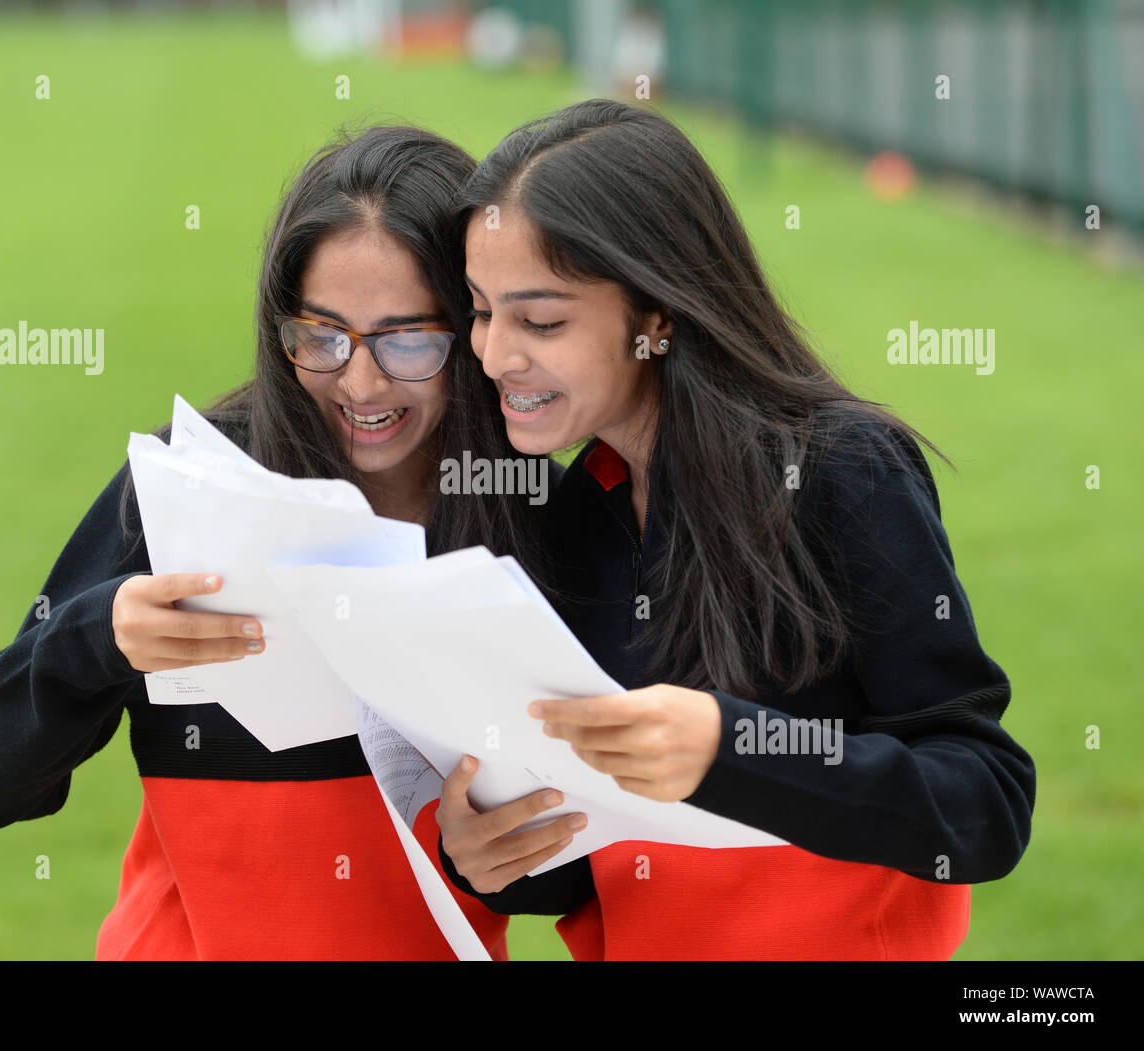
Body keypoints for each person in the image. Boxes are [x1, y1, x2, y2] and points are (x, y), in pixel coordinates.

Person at [435, 98, 1037, 960]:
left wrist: (734, 748)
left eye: (542, 320)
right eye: (481, 310)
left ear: (658, 315)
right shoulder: (577, 510)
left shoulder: (843, 470)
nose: (495, 355)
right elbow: (603, 854)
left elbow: (984, 802)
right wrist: (491, 857)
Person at [0, 124, 552, 960]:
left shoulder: (531, 506)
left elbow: (600, 842)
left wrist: (497, 857)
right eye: (322, 337)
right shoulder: (192, 487)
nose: (361, 382)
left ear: (474, 327)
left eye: (408, 338)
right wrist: (98, 637)